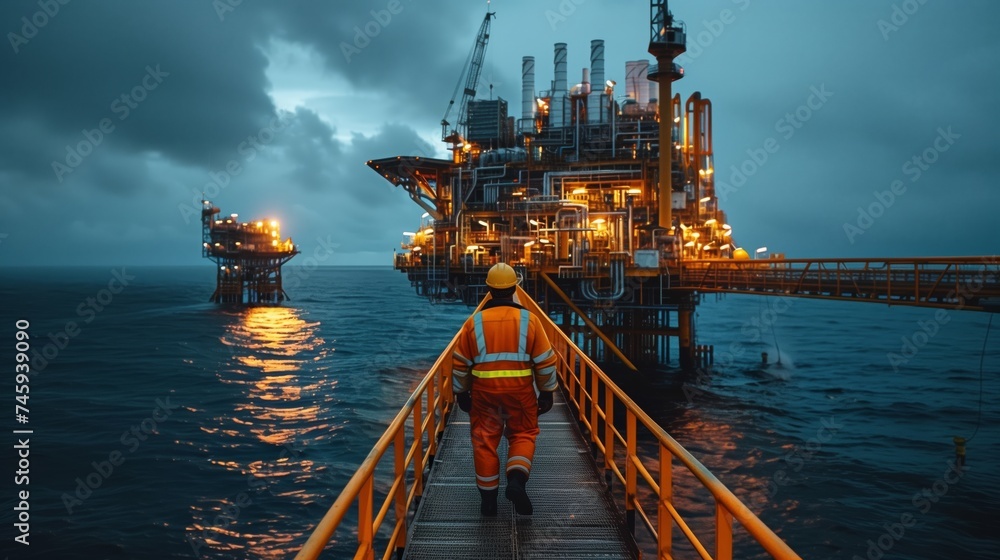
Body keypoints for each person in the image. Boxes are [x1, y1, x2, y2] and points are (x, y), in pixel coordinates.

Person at [451, 263, 559, 516]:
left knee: (484, 441)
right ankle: (516, 483)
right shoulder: (529, 320)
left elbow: (459, 362)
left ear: (488, 289)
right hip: (520, 392)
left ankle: (488, 503)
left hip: (484, 393)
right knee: (523, 434)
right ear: (514, 287)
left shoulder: (473, 322)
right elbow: (545, 360)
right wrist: (547, 392)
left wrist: (461, 393)